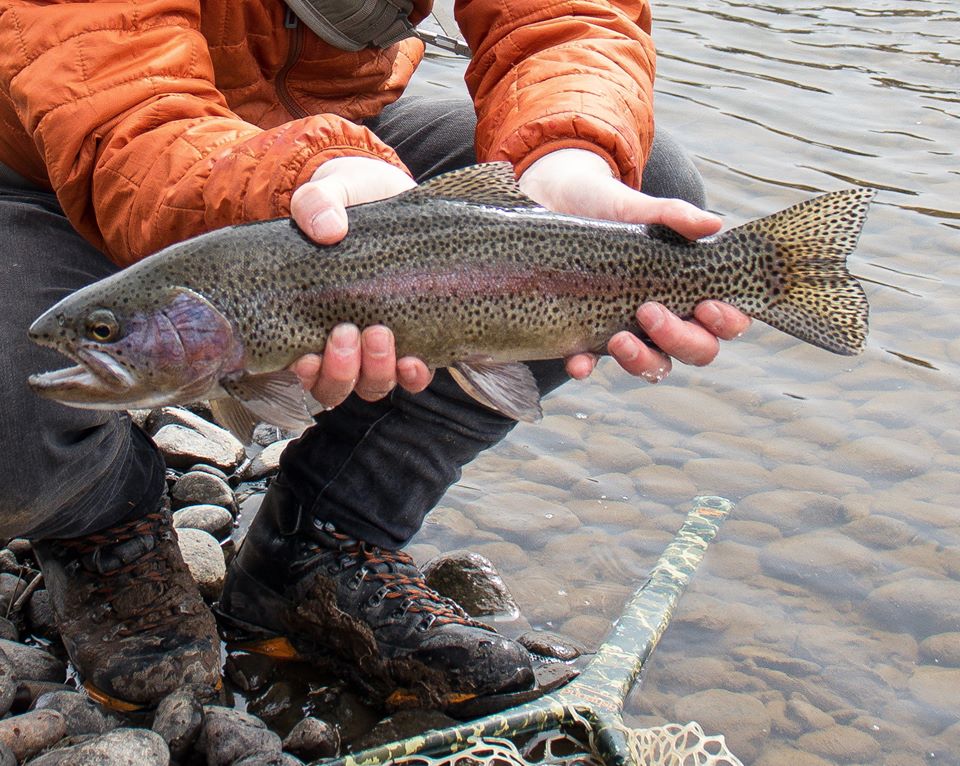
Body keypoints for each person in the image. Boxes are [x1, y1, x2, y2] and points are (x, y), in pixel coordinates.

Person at [0, 0, 750, 710]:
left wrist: (570, 154)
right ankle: (103, 529)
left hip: (337, 150)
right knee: (12, 400)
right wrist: (305, 178)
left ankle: (323, 541)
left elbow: (562, 17)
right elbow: (121, 98)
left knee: (647, 187)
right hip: (70, 165)